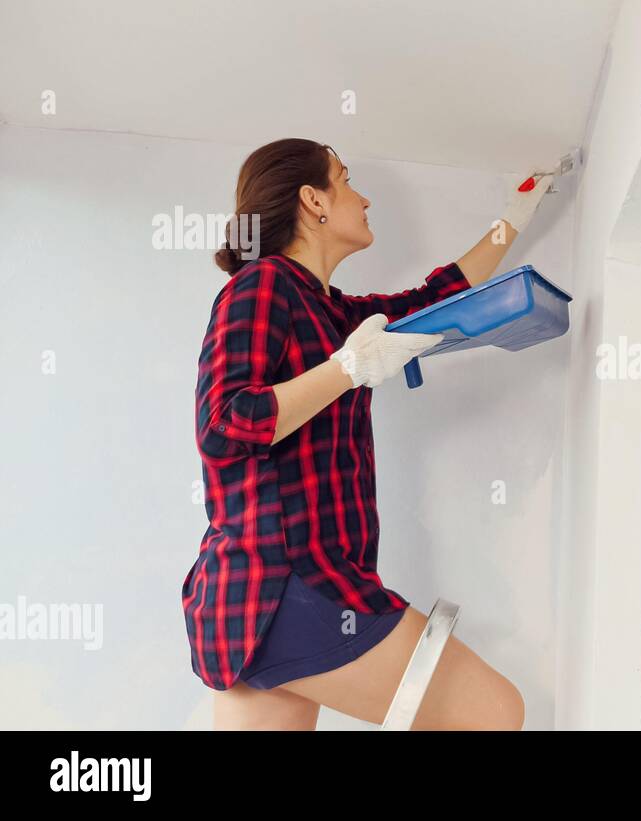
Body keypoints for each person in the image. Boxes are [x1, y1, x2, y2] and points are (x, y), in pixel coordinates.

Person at [181, 138, 553, 729]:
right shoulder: (261, 286)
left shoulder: (335, 313)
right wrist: (346, 370)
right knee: (494, 711)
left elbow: (434, 301)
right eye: (346, 179)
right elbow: (224, 424)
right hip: (289, 586)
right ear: (314, 201)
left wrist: (515, 218)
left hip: (252, 609)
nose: (364, 197)